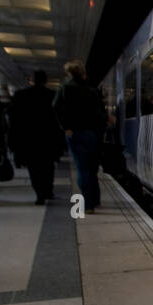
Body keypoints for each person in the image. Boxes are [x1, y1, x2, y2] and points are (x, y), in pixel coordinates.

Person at [54, 59, 106, 212]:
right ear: (82, 73)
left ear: (69, 74)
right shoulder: (92, 91)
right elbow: (100, 114)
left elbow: (55, 107)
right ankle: (96, 200)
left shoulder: (65, 89)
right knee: (92, 168)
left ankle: (88, 205)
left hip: (74, 133)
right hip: (92, 134)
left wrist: (65, 127)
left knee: (82, 169)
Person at [8, 69, 62, 204]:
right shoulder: (53, 95)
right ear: (46, 80)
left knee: (34, 168)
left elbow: (14, 121)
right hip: (48, 138)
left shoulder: (20, 95)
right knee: (48, 166)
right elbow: (59, 119)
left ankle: (39, 193)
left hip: (28, 139)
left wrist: (13, 141)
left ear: (31, 80)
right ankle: (48, 190)